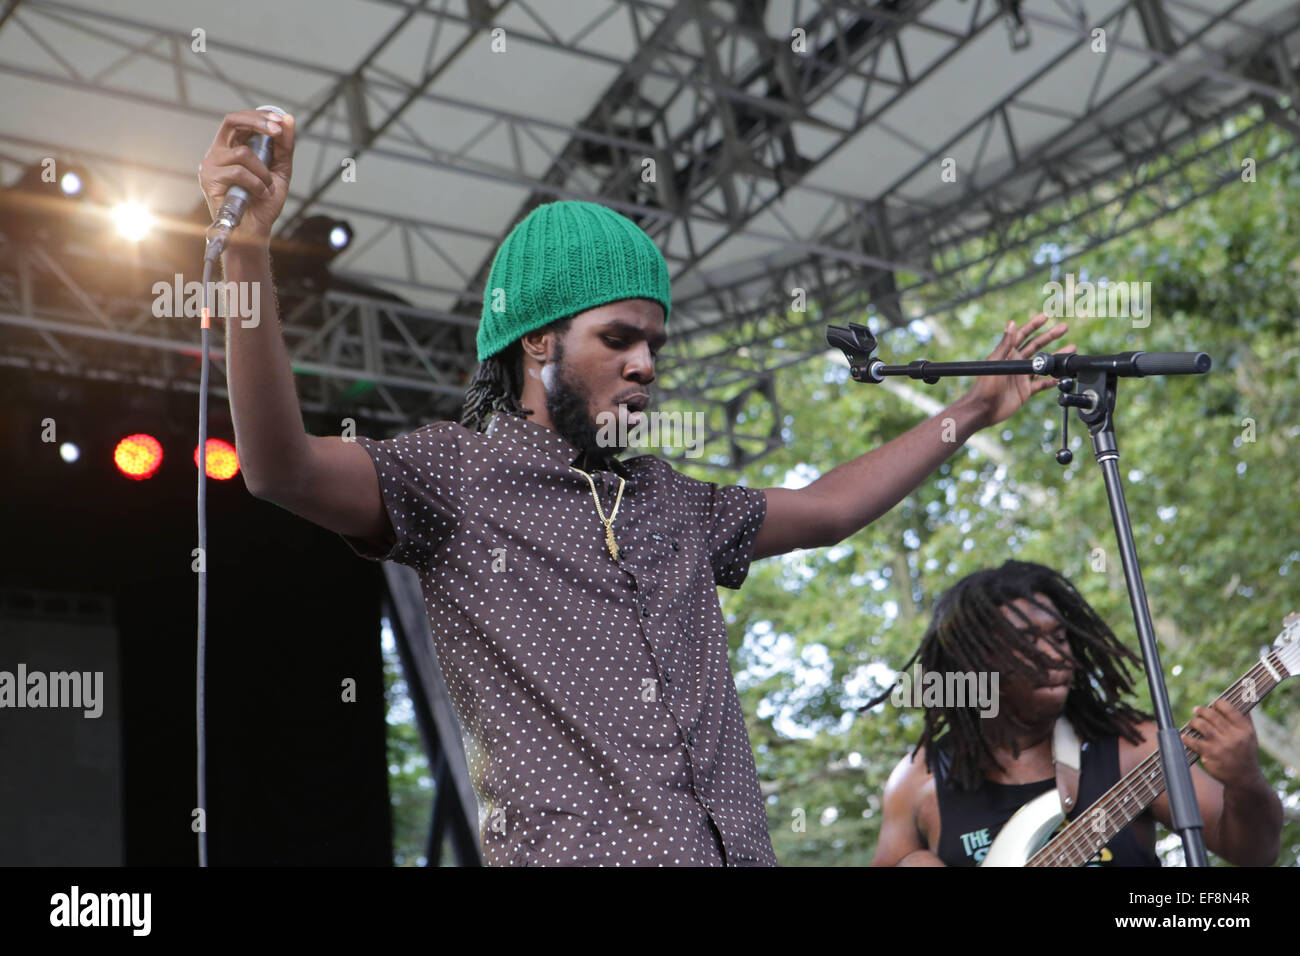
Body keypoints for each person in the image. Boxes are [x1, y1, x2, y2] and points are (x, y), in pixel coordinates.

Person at [199, 107, 1073, 866]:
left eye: (654, 342)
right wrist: (247, 252)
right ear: (538, 343)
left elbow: (831, 508)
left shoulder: (671, 501)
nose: (646, 363)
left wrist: (975, 408)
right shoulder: (453, 477)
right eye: (617, 338)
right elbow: (280, 467)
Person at [870, 561, 1283, 866]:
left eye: (1059, 636)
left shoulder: (1131, 747)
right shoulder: (919, 781)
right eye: (1026, 641)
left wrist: (1246, 781)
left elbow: (1254, 855)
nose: (1053, 655)